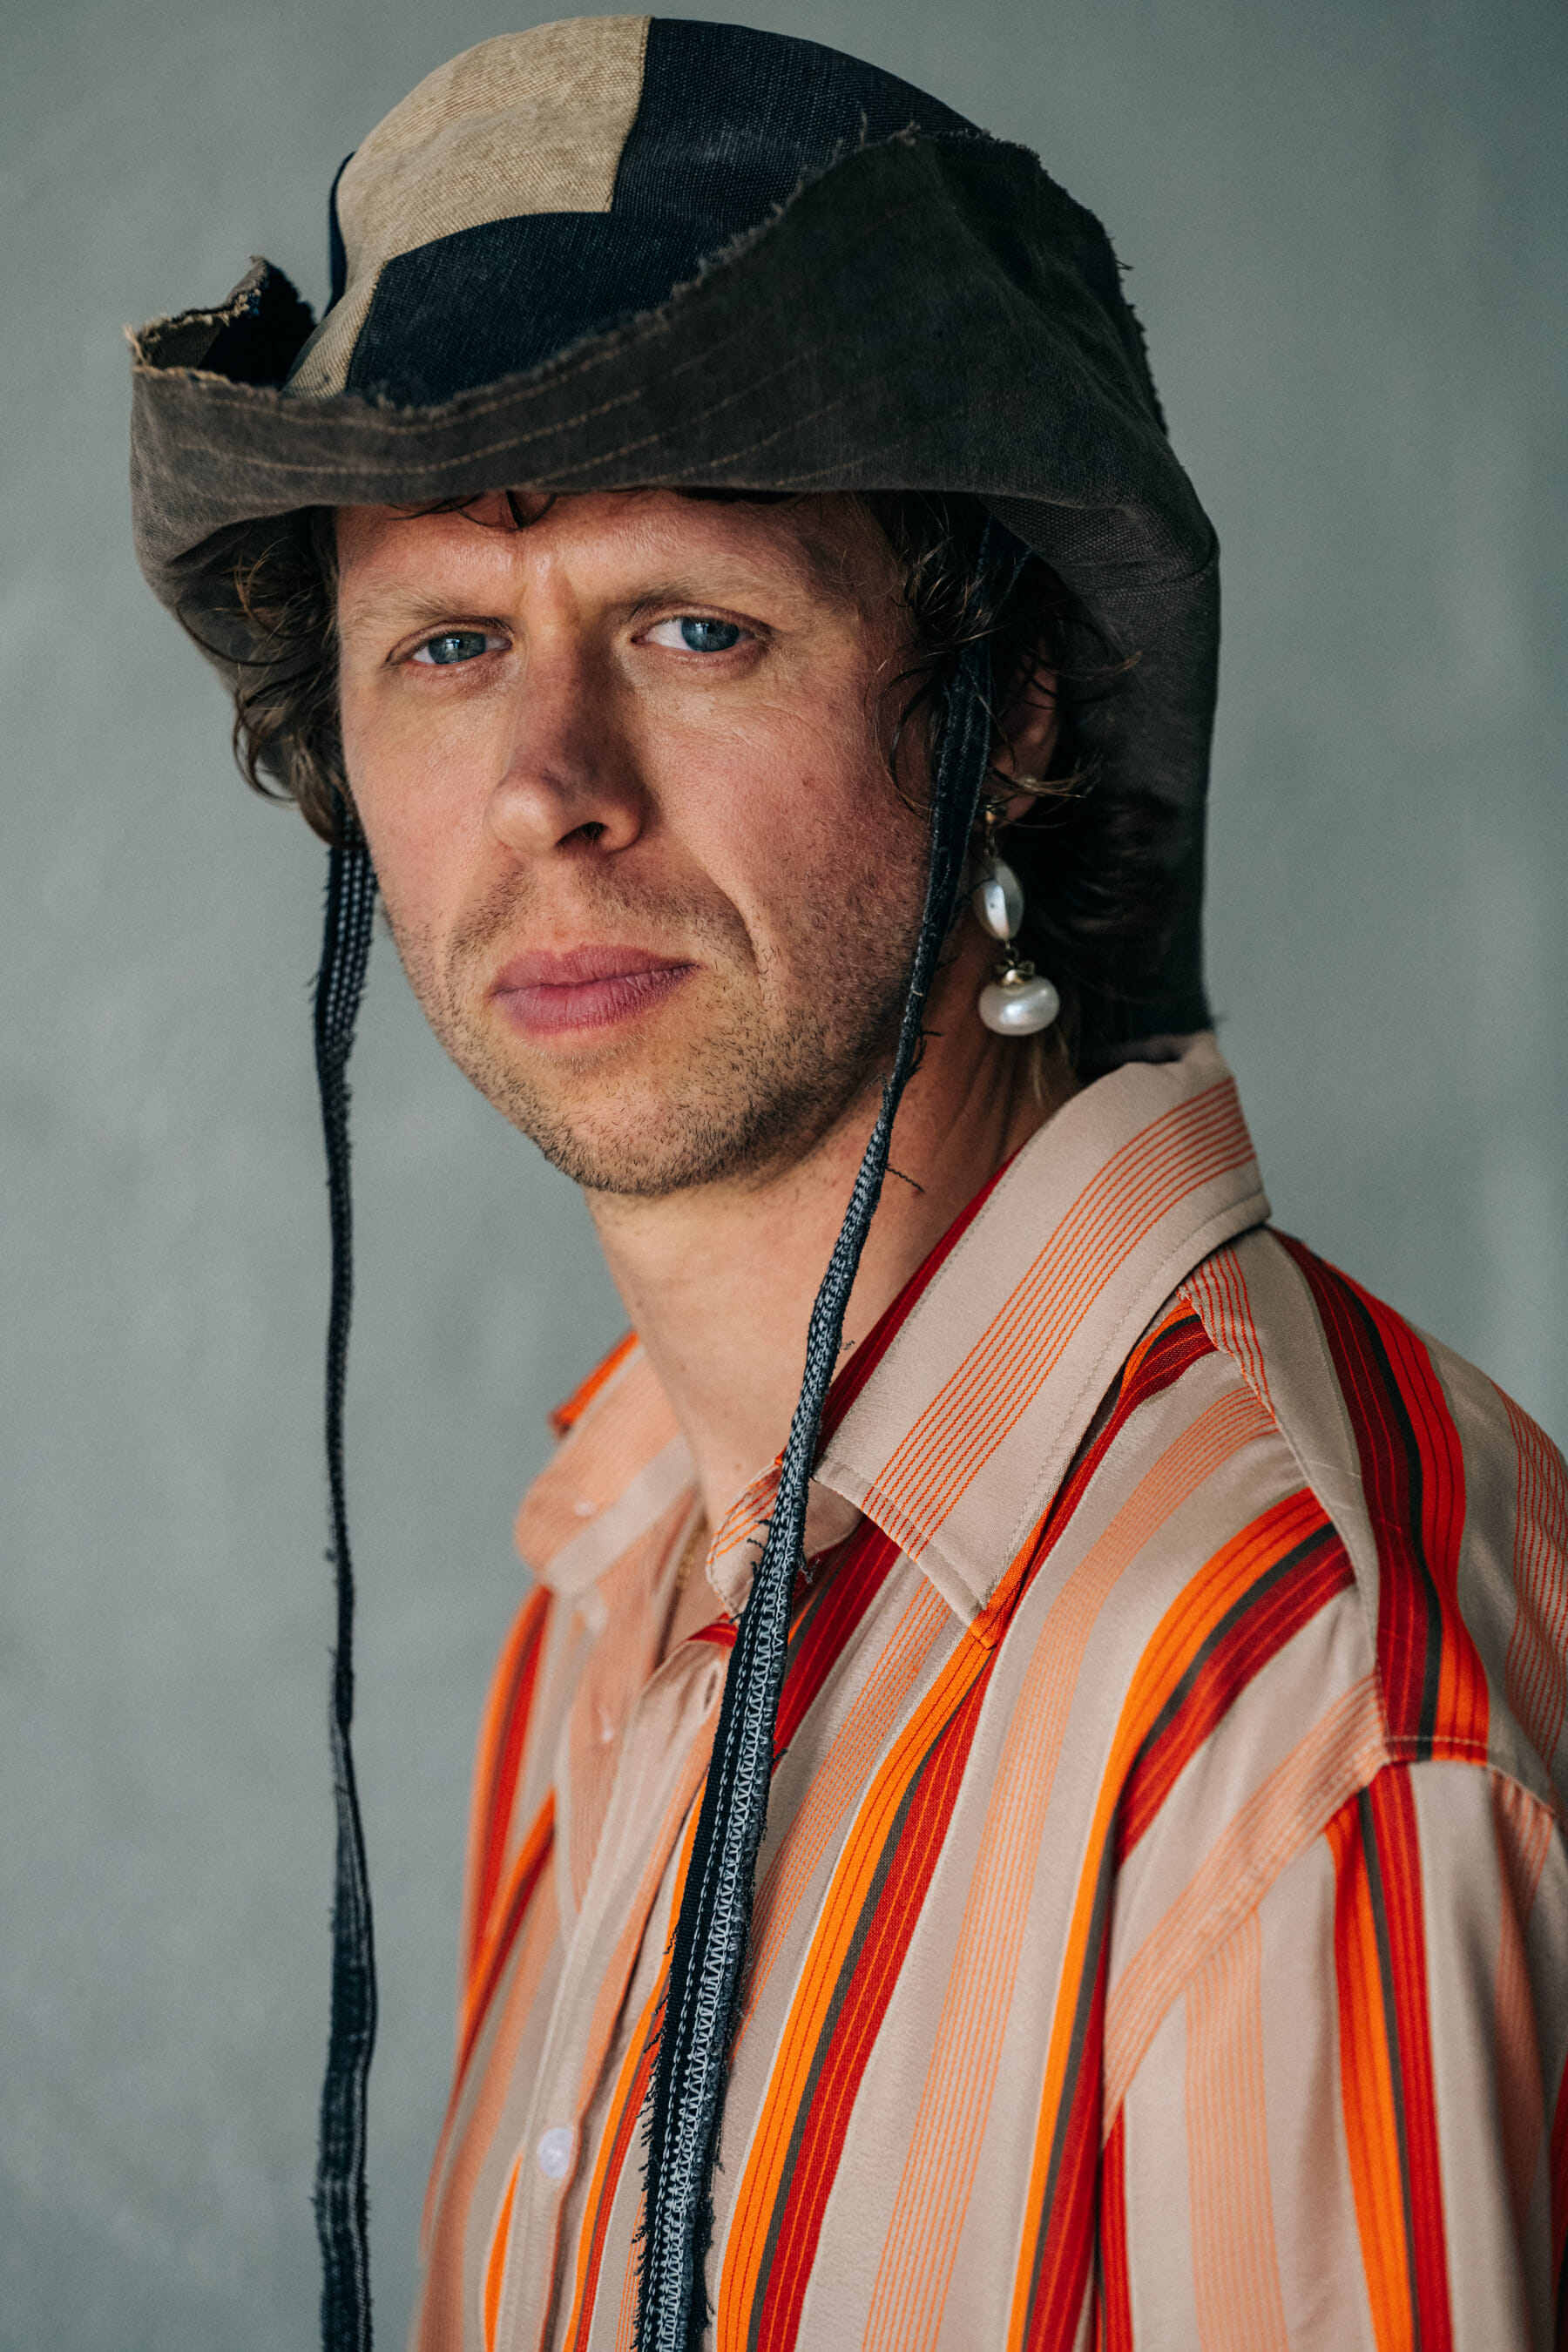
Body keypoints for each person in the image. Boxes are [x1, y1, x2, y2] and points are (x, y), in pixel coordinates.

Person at [129, 20, 1568, 2352]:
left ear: (1011, 710)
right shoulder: (619, 1571)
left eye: (697, 624)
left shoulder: (1302, 1710)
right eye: (449, 644)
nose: (549, 783)